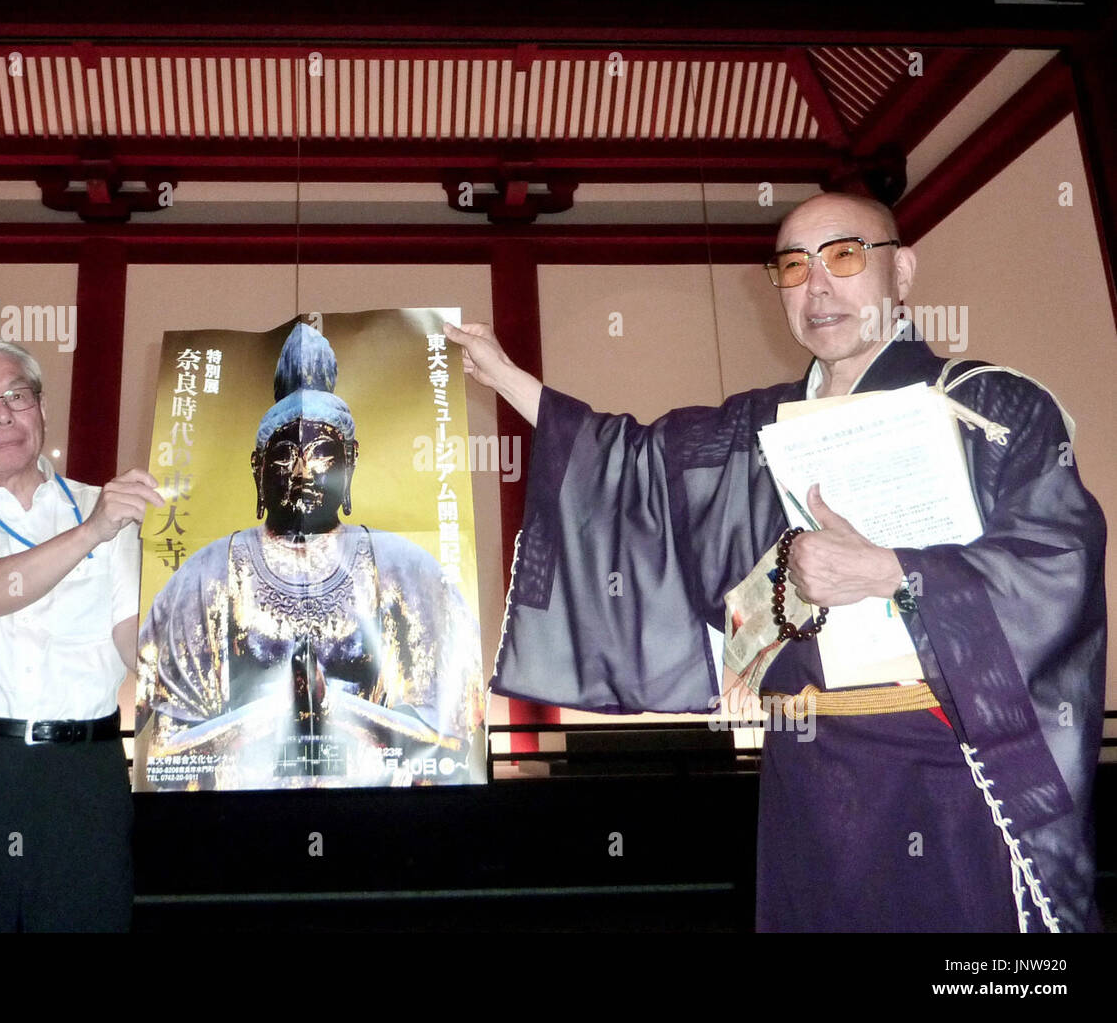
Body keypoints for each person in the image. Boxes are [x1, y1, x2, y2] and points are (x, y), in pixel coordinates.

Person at [444, 191, 1107, 933]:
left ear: (903, 271)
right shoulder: (757, 430)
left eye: (844, 256)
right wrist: (506, 378)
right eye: (793, 267)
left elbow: (1058, 560)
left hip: (948, 769)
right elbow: (634, 465)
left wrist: (895, 571)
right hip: (808, 775)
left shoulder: (990, 405)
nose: (817, 286)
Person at [137, 323, 485, 790]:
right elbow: (163, 753)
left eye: (322, 453)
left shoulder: (406, 569)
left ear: (349, 464)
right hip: (243, 813)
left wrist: (337, 709)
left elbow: (454, 742)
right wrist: (271, 713)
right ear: (258, 471)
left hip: (375, 812)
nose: (301, 471)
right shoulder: (207, 576)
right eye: (284, 455)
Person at [0, 338, 164, 932]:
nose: (2, 414)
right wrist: (91, 533)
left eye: (17, 395)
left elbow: (133, 643)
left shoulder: (108, 508)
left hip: (84, 773)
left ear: (42, 410)